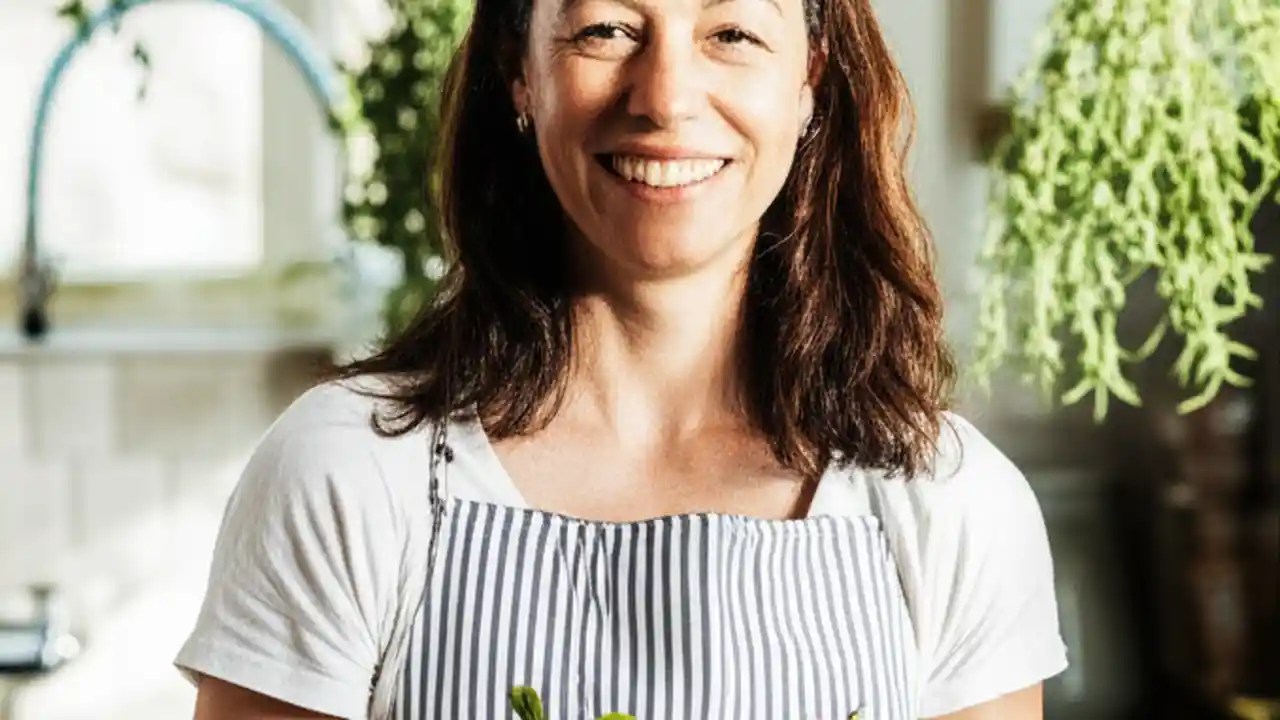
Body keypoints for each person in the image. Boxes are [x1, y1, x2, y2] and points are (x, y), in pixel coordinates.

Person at [175, 0, 1068, 714]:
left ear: (810, 82)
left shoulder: (950, 502)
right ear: (519, 73)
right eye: (606, 29)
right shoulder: (347, 471)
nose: (666, 97)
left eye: (733, 32)